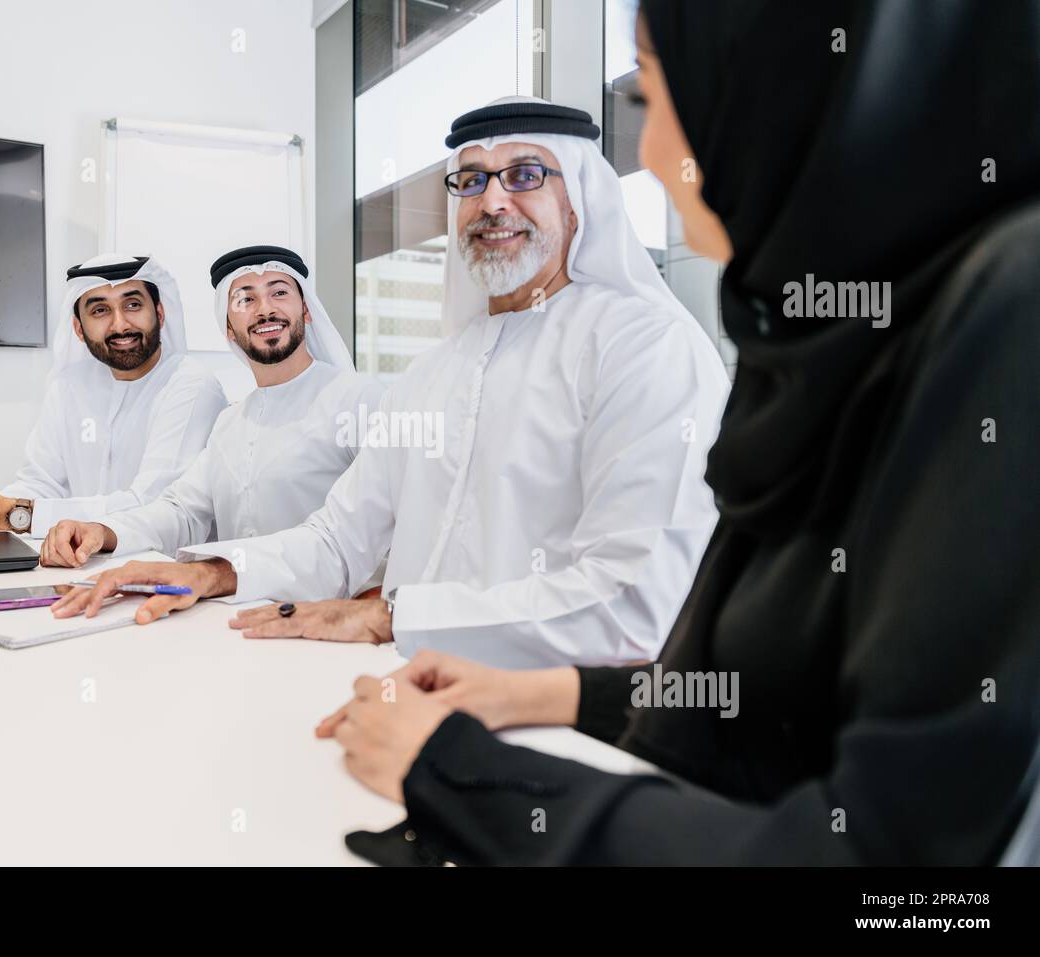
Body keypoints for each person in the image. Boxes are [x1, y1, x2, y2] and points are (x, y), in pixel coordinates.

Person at [317, 0, 1040, 865]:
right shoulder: (813, 341)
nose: (651, 154)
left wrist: (457, 774)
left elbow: (903, 879)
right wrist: (546, 694)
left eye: (653, 97)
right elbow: (762, 702)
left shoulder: (1007, 316)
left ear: (778, 89)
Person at [66, 98, 729, 669]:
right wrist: (211, 572)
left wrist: (395, 618)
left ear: (578, 200)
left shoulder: (644, 347)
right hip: (397, 697)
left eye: (525, 175)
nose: (492, 200)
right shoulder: (431, 374)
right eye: (470, 181)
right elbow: (337, 538)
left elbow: (634, 600)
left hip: (555, 731)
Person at [44, 246, 384, 623]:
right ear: (228, 327)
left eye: (279, 292)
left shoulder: (362, 401)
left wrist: (210, 574)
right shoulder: (231, 421)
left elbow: (348, 536)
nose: (265, 309)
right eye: (245, 299)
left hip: (336, 625)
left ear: (305, 310)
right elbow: (182, 510)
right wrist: (102, 532)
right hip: (239, 622)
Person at [0, 255, 226, 538]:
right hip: (78, 564)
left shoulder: (191, 384)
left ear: (159, 312)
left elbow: (152, 506)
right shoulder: (70, 385)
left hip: (164, 575)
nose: (120, 324)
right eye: (100, 310)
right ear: (78, 328)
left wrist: (6, 513)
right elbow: (42, 483)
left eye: (132, 305)